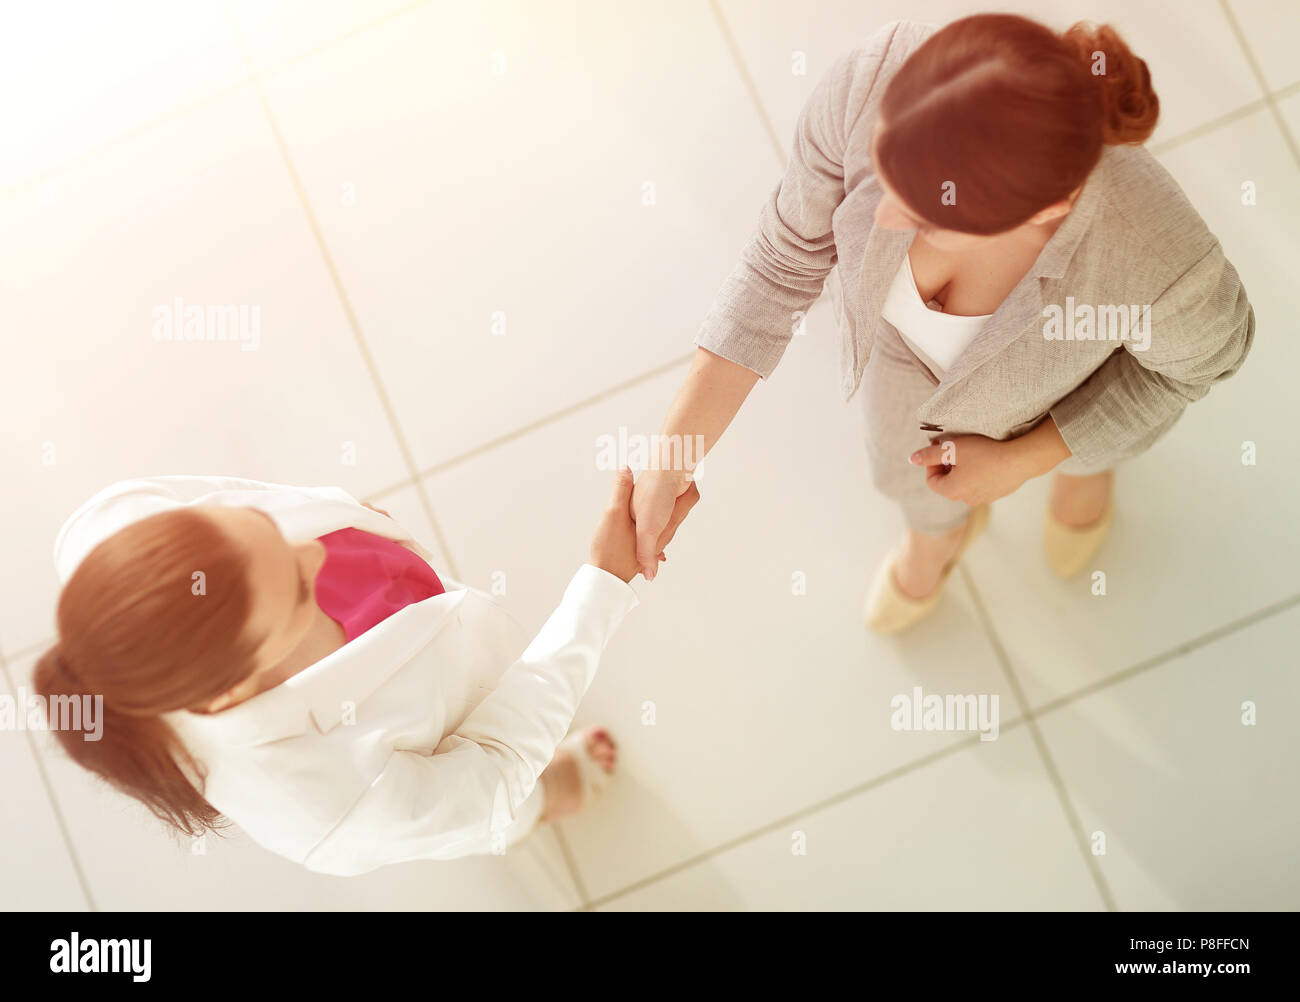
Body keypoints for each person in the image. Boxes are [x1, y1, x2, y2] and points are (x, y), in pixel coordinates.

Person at [631, 14, 1253, 633]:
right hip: (905, 359)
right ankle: (936, 542)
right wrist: (673, 456)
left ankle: (1083, 477)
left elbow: (1195, 365)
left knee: (1091, 447)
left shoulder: (1157, 256)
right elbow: (782, 263)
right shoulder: (872, 78)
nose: (885, 220)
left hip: (1065, 386)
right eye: (887, 176)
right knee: (900, 469)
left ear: (1045, 211)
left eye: (928, 216)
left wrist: (1034, 456)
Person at [34, 471, 696, 875]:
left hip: (427, 632)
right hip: (473, 758)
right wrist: (604, 586)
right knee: (506, 803)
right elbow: (491, 772)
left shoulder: (109, 524)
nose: (315, 553)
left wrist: (349, 513)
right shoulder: (328, 804)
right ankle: (548, 798)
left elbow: (258, 506)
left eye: (266, 530)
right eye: (296, 587)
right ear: (236, 687)